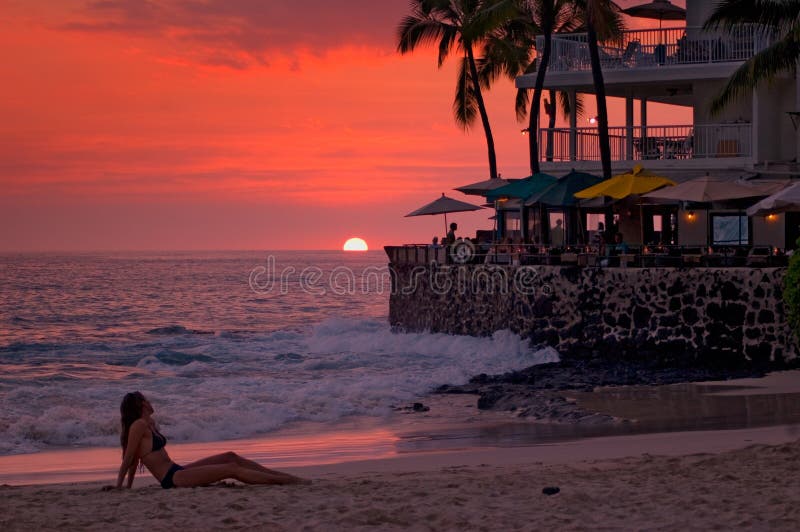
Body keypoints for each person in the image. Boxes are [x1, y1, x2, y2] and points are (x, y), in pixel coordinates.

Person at [115, 392, 307, 489]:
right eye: (147, 399)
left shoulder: (150, 423)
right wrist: (121, 488)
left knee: (231, 456)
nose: (151, 402)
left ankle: (281, 476)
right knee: (231, 469)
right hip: (172, 479)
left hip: (178, 470)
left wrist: (127, 488)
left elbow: (134, 458)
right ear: (142, 404)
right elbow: (130, 459)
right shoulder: (138, 426)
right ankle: (284, 481)